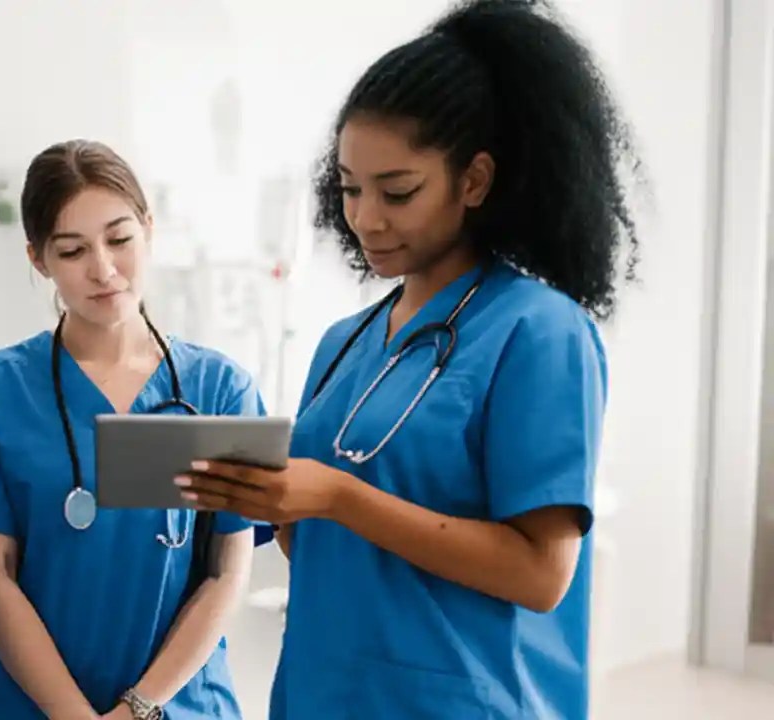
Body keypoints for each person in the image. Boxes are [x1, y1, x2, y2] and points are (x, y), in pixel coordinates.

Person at [176, 0, 643, 717]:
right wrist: (269, 497)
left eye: (397, 192)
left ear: (475, 181)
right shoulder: (344, 343)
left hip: (459, 700)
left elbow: (541, 573)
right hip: (325, 693)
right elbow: (331, 552)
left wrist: (335, 494)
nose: (365, 218)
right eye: (350, 189)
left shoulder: (539, 331)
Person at [0, 139, 261, 720]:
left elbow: (227, 573)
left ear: (148, 229)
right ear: (39, 259)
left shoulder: (219, 391)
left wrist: (137, 709)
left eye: (119, 239)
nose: (103, 269)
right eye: (72, 250)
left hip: (180, 706)